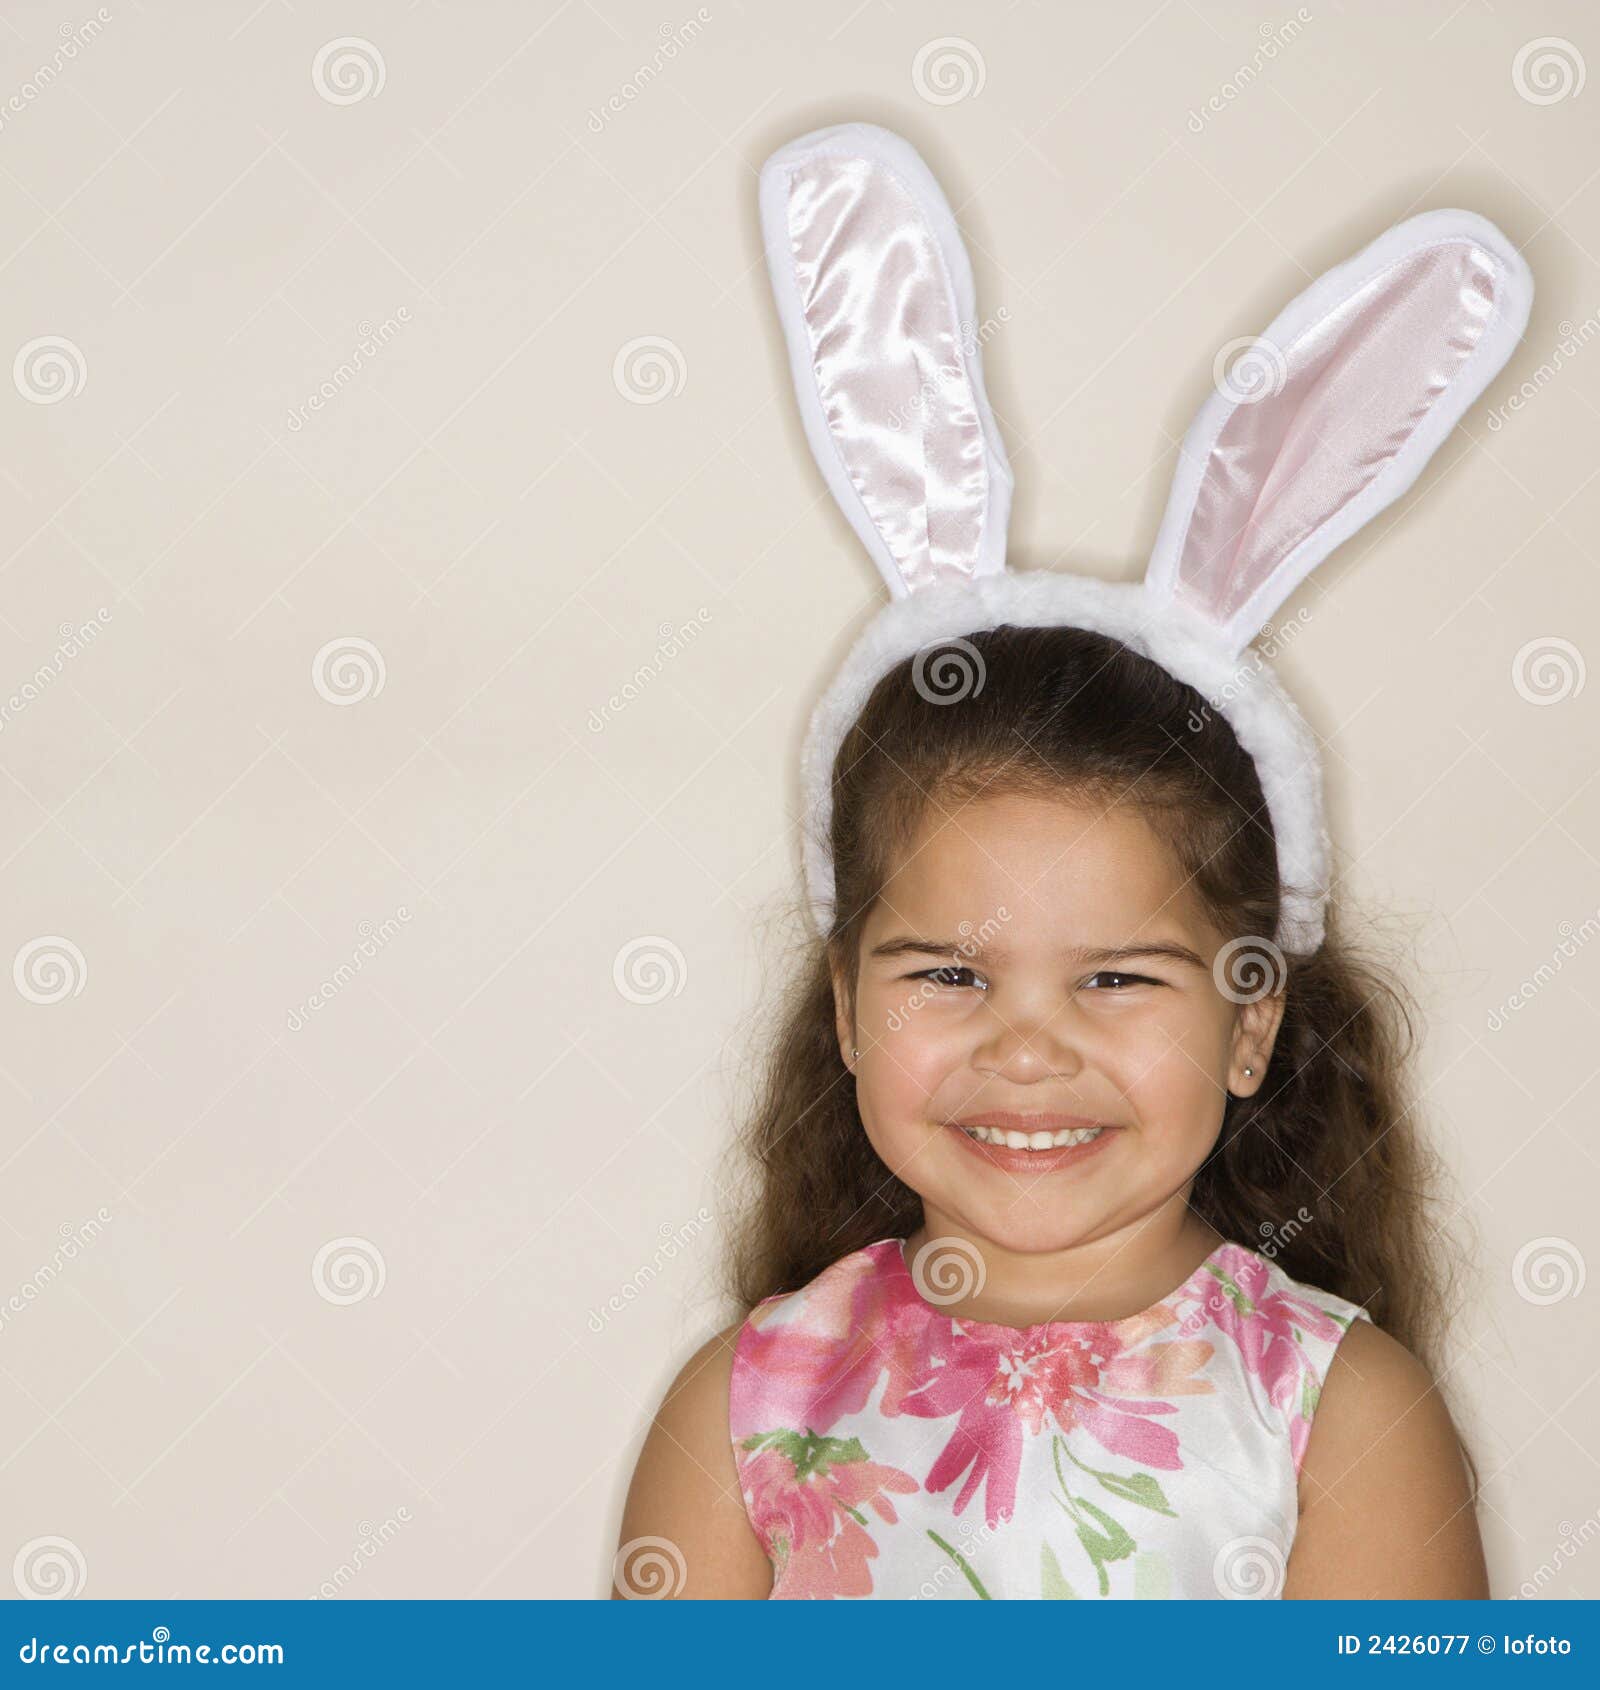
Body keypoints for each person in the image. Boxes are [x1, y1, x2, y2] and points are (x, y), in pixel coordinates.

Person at [614, 121, 1529, 1599]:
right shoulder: (743, 1409)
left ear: (1251, 1019)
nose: (1025, 1047)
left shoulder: (1339, 1418)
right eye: (951, 971)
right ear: (846, 1003)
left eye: (1115, 973)